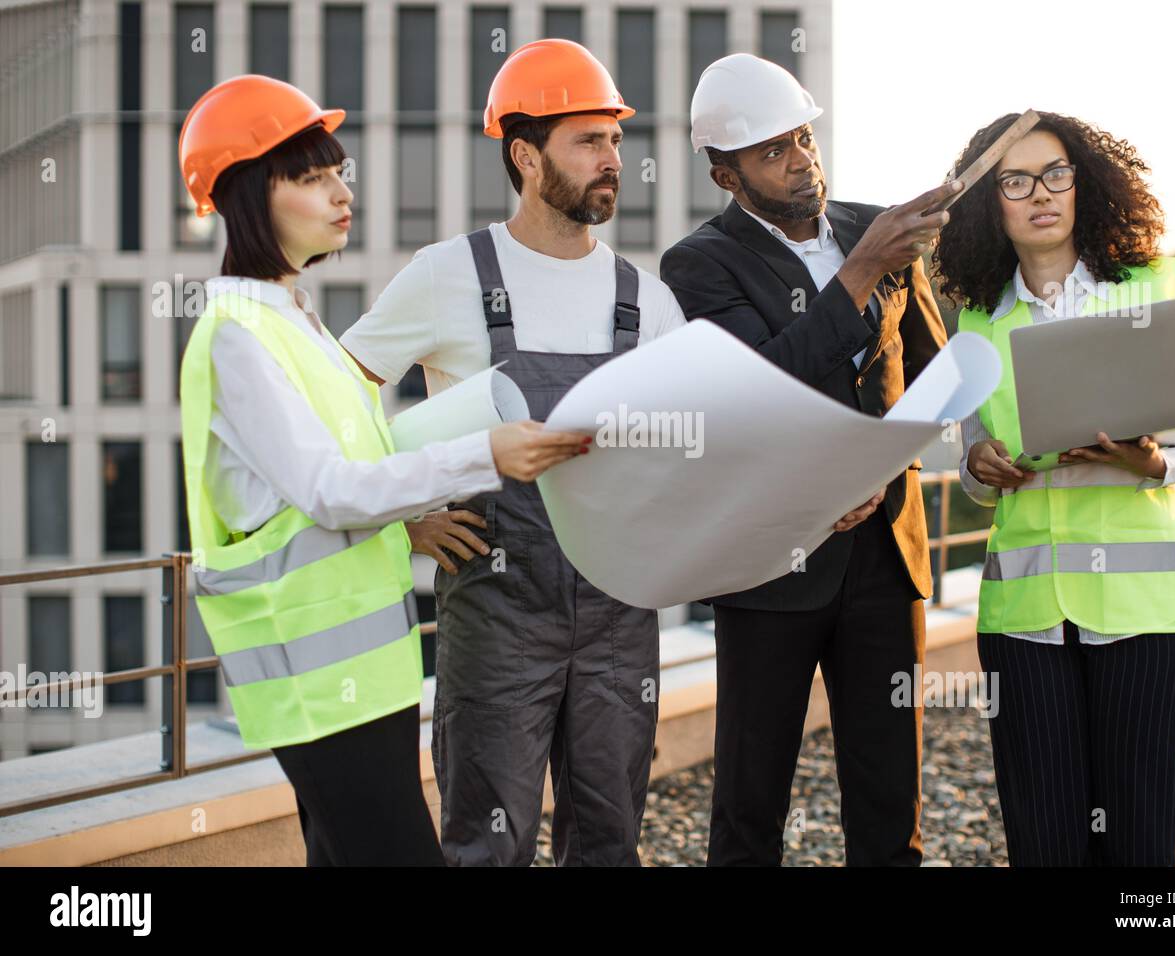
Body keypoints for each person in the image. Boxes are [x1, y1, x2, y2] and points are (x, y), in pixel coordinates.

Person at [177, 74, 589, 866]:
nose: (341, 192)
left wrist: (410, 523)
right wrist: (484, 454)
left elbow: (343, 472)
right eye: (310, 177)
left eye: (338, 171)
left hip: (363, 672)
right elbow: (327, 492)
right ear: (244, 198)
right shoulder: (236, 335)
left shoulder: (293, 320)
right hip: (312, 677)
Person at [339, 39, 688, 866]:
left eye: (615, 140)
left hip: (619, 612)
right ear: (526, 156)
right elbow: (338, 393)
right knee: (484, 845)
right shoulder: (445, 275)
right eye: (589, 141)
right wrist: (406, 519)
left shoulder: (648, 300)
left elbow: (691, 441)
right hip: (497, 609)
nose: (613, 160)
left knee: (609, 838)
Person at [660, 53, 958, 866]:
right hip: (769, 568)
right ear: (726, 172)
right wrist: (862, 275)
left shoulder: (878, 228)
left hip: (887, 556)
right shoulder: (698, 266)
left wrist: (918, 452)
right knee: (752, 807)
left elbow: (938, 372)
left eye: (804, 139)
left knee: (891, 802)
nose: (801, 161)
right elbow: (760, 388)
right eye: (773, 152)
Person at [932, 111, 1175, 865]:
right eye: (1016, 180)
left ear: (1084, 182)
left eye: (1057, 173)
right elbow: (974, 467)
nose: (1042, 193)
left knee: (1142, 851)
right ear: (987, 202)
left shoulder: (1152, 280)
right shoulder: (977, 319)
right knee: (1046, 846)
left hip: (1150, 617)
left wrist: (1153, 463)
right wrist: (982, 468)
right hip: (1026, 621)